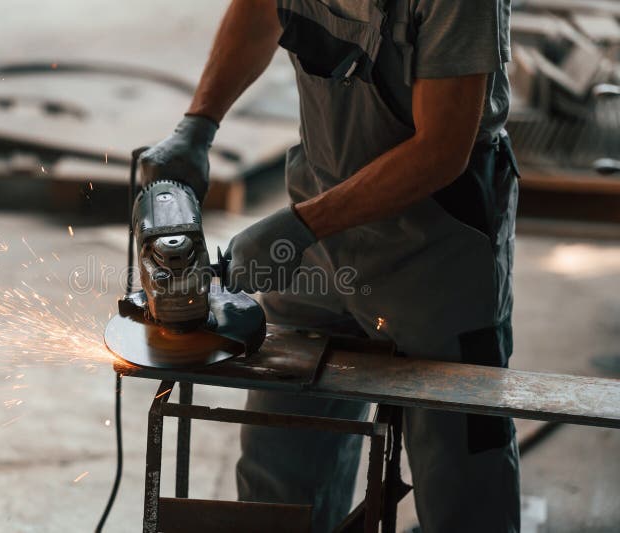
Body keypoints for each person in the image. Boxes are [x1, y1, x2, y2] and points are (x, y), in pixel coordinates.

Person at [140, 1, 521, 531]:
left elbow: (442, 147)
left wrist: (299, 227)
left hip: (438, 251)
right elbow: (260, 8)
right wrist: (199, 124)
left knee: (460, 478)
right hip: (320, 231)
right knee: (279, 471)